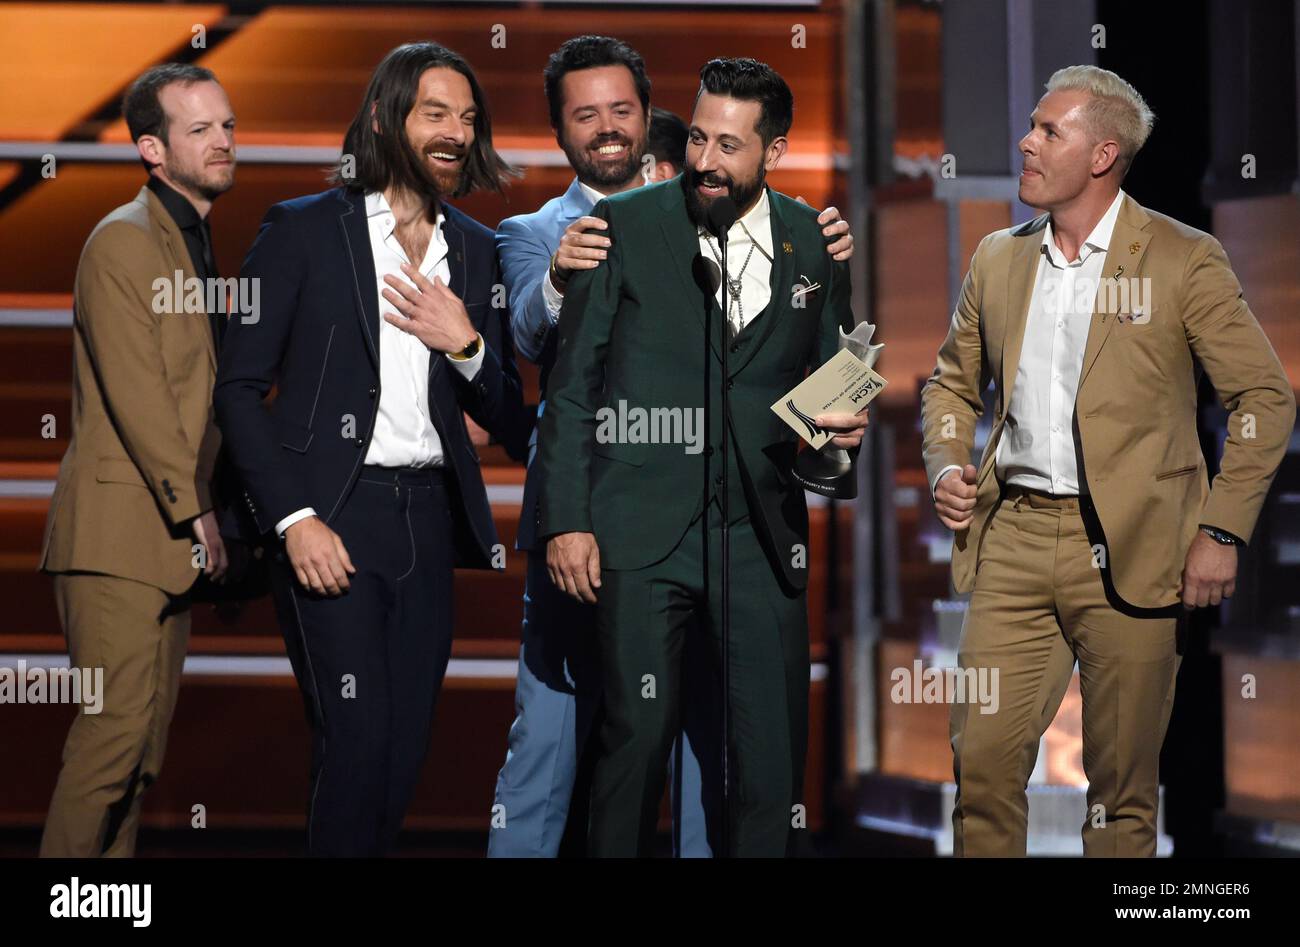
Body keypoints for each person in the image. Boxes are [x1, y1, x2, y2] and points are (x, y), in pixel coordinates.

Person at [921, 65, 1295, 857]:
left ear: (1102, 155)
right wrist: (947, 463)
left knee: (1121, 794)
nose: (1025, 141)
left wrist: (1221, 532)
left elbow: (1264, 398)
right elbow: (950, 386)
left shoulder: (1182, 258)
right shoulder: (997, 256)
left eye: (1048, 131)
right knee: (981, 770)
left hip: (1136, 545)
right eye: (1032, 125)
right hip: (1014, 541)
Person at [538, 57, 867, 857]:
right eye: (696, 138)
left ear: (775, 151)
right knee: (634, 744)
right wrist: (566, 521)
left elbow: (840, 378)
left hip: (761, 536)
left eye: (729, 145)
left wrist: (833, 444)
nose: (706, 162)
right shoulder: (623, 228)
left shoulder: (813, 244)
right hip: (641, 535)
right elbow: (574, 387)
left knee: (768, 762)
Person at [213, 42, 529, 856]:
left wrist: (466, 346)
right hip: (332, 518)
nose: (456, 131)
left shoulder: (479, 250)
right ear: (388, 117)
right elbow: (239, 390)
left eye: (467, 117)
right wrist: (292, 519)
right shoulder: (304, 230)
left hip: (428, 524)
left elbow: (505, 412)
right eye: (436, 113)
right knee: (354, 745)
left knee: (401, 754)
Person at [39, 63, 235, 857]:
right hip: (121, 535)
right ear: (152, 148)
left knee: (137, 760)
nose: (223, 141)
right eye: (201, 130)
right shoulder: (122, 242)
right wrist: (200, 511)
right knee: (110, 744)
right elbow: (142, 399)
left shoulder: (192, 241)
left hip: (167, 542)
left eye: (227, 124)